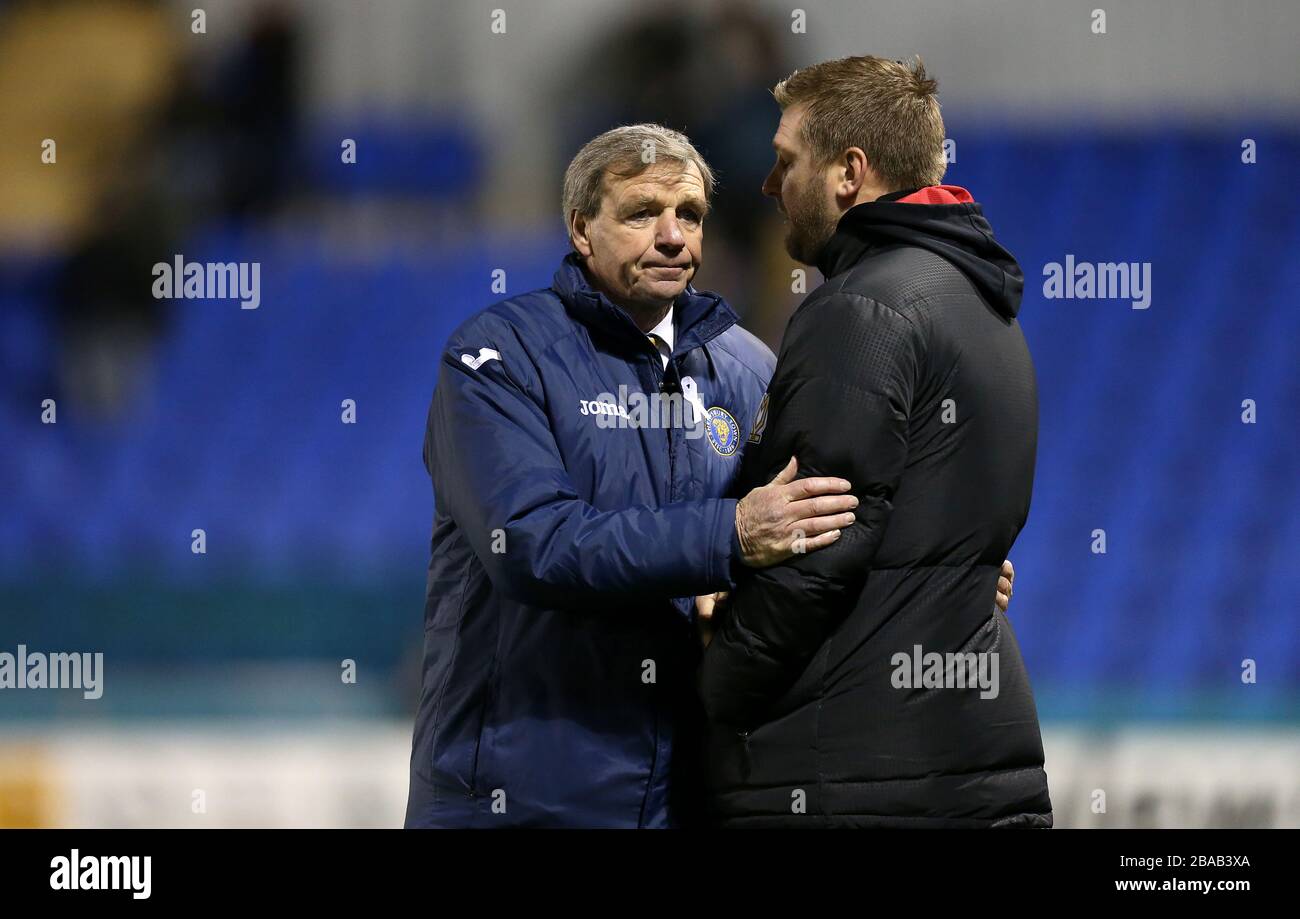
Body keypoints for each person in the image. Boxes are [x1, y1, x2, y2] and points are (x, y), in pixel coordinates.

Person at [404, 124, 861, 828]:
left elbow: (813, 527)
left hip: (684, 796)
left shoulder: (750, 372)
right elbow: (531, 544)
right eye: (643, 212)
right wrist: (731, 532)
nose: (674, 236)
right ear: (582, 228)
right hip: (513, 800)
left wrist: (940, 573)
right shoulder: (496, 356)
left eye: (691, 215)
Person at [697, 56, 1052, 828]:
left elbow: (815, 544)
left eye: (785, 160)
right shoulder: (988, 309)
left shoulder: (858, 311)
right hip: (977, 757)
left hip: (856, 776)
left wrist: (717, 678)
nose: (767, 184)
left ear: (848, 173)